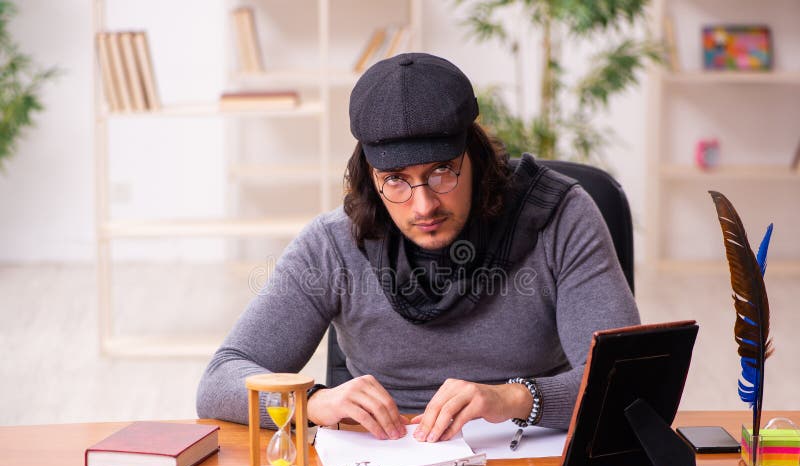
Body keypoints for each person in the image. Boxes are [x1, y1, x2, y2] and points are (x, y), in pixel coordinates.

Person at [196, 53, 639, 443]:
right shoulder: (333, 243)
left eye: (443, 171)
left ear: (475, 156)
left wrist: (512, 397)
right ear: (370, 177)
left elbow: (628, 381)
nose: (424, 204)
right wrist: (311, 403)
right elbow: (219, 381)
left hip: (529, 463)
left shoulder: (560, 218)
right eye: (396, 180)